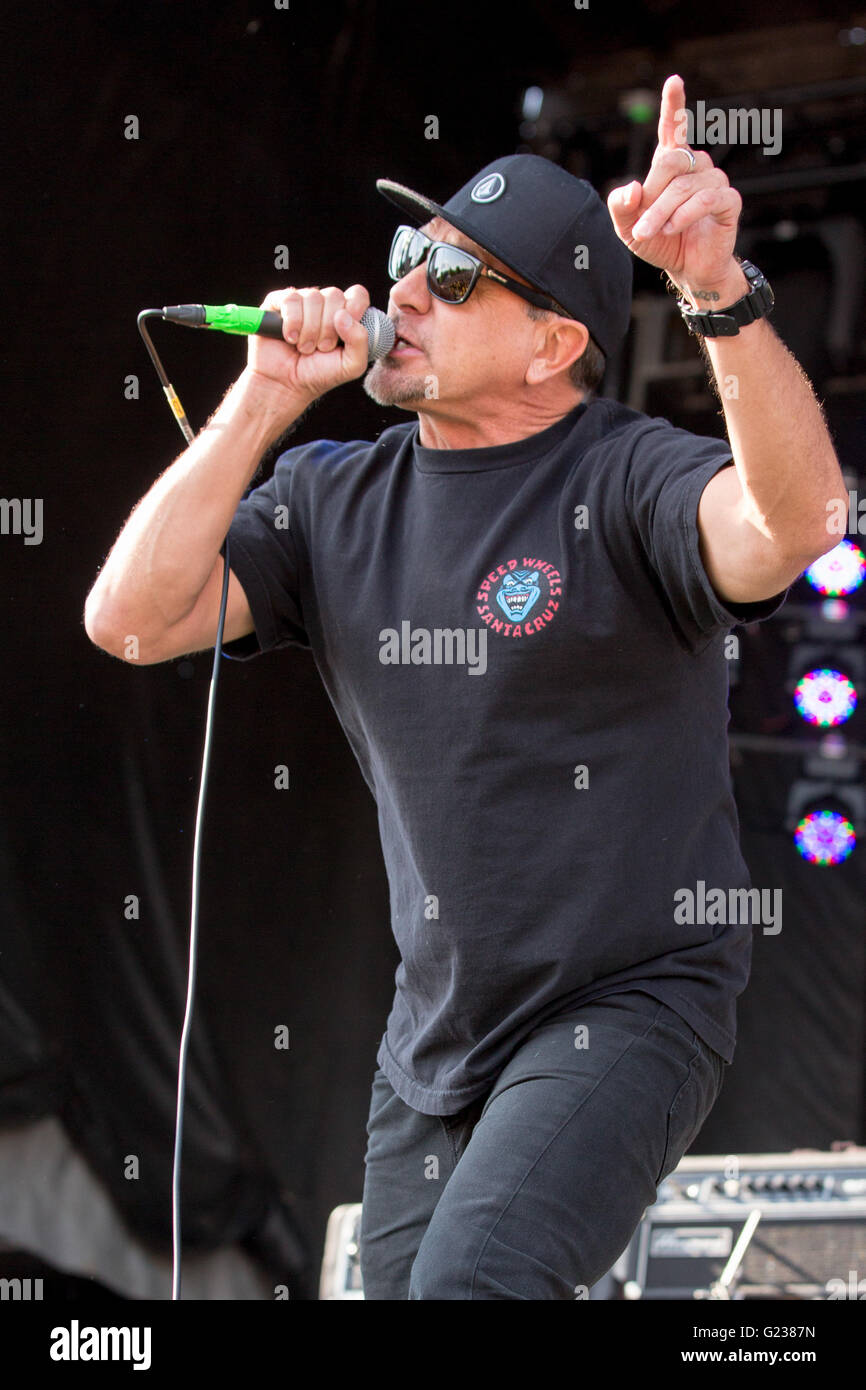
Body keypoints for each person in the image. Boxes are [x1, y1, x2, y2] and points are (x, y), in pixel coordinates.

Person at [84, 75, 845, 1300]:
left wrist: (712, 286)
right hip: (433, 1034)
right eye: (406, 257)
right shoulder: (335, 495)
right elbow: (125, 619)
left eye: (451, 280)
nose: (401, 296)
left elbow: (800, 519)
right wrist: (266, 398)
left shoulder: (629, 476)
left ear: (553, 344)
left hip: (627, 1003)